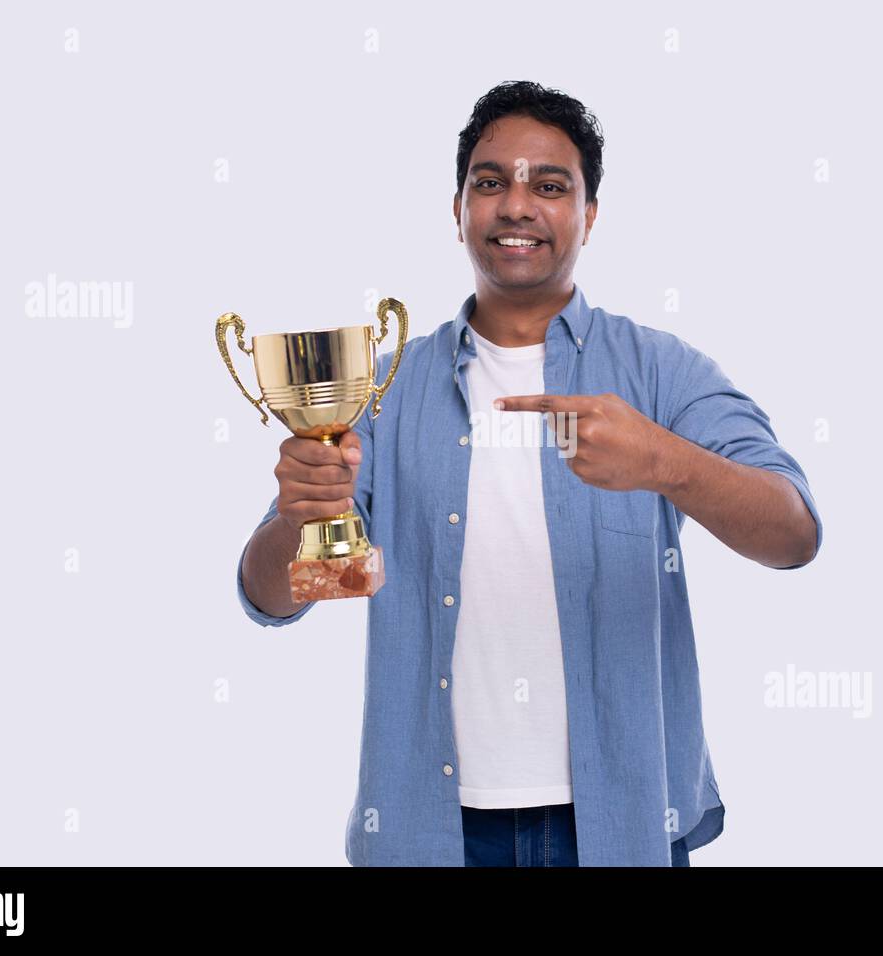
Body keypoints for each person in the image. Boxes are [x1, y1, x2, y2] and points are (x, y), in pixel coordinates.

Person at [238, 80, 822, 866]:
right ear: (457, 211)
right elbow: (278, 598)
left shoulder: (661, 372)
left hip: (619, 824)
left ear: (589, 214)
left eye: (550, 185)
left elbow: (793, 534)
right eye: (491, 182)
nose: (517, 205)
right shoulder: (381, 392)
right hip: (430, 830)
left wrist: (665, 463)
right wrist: (298, 516)